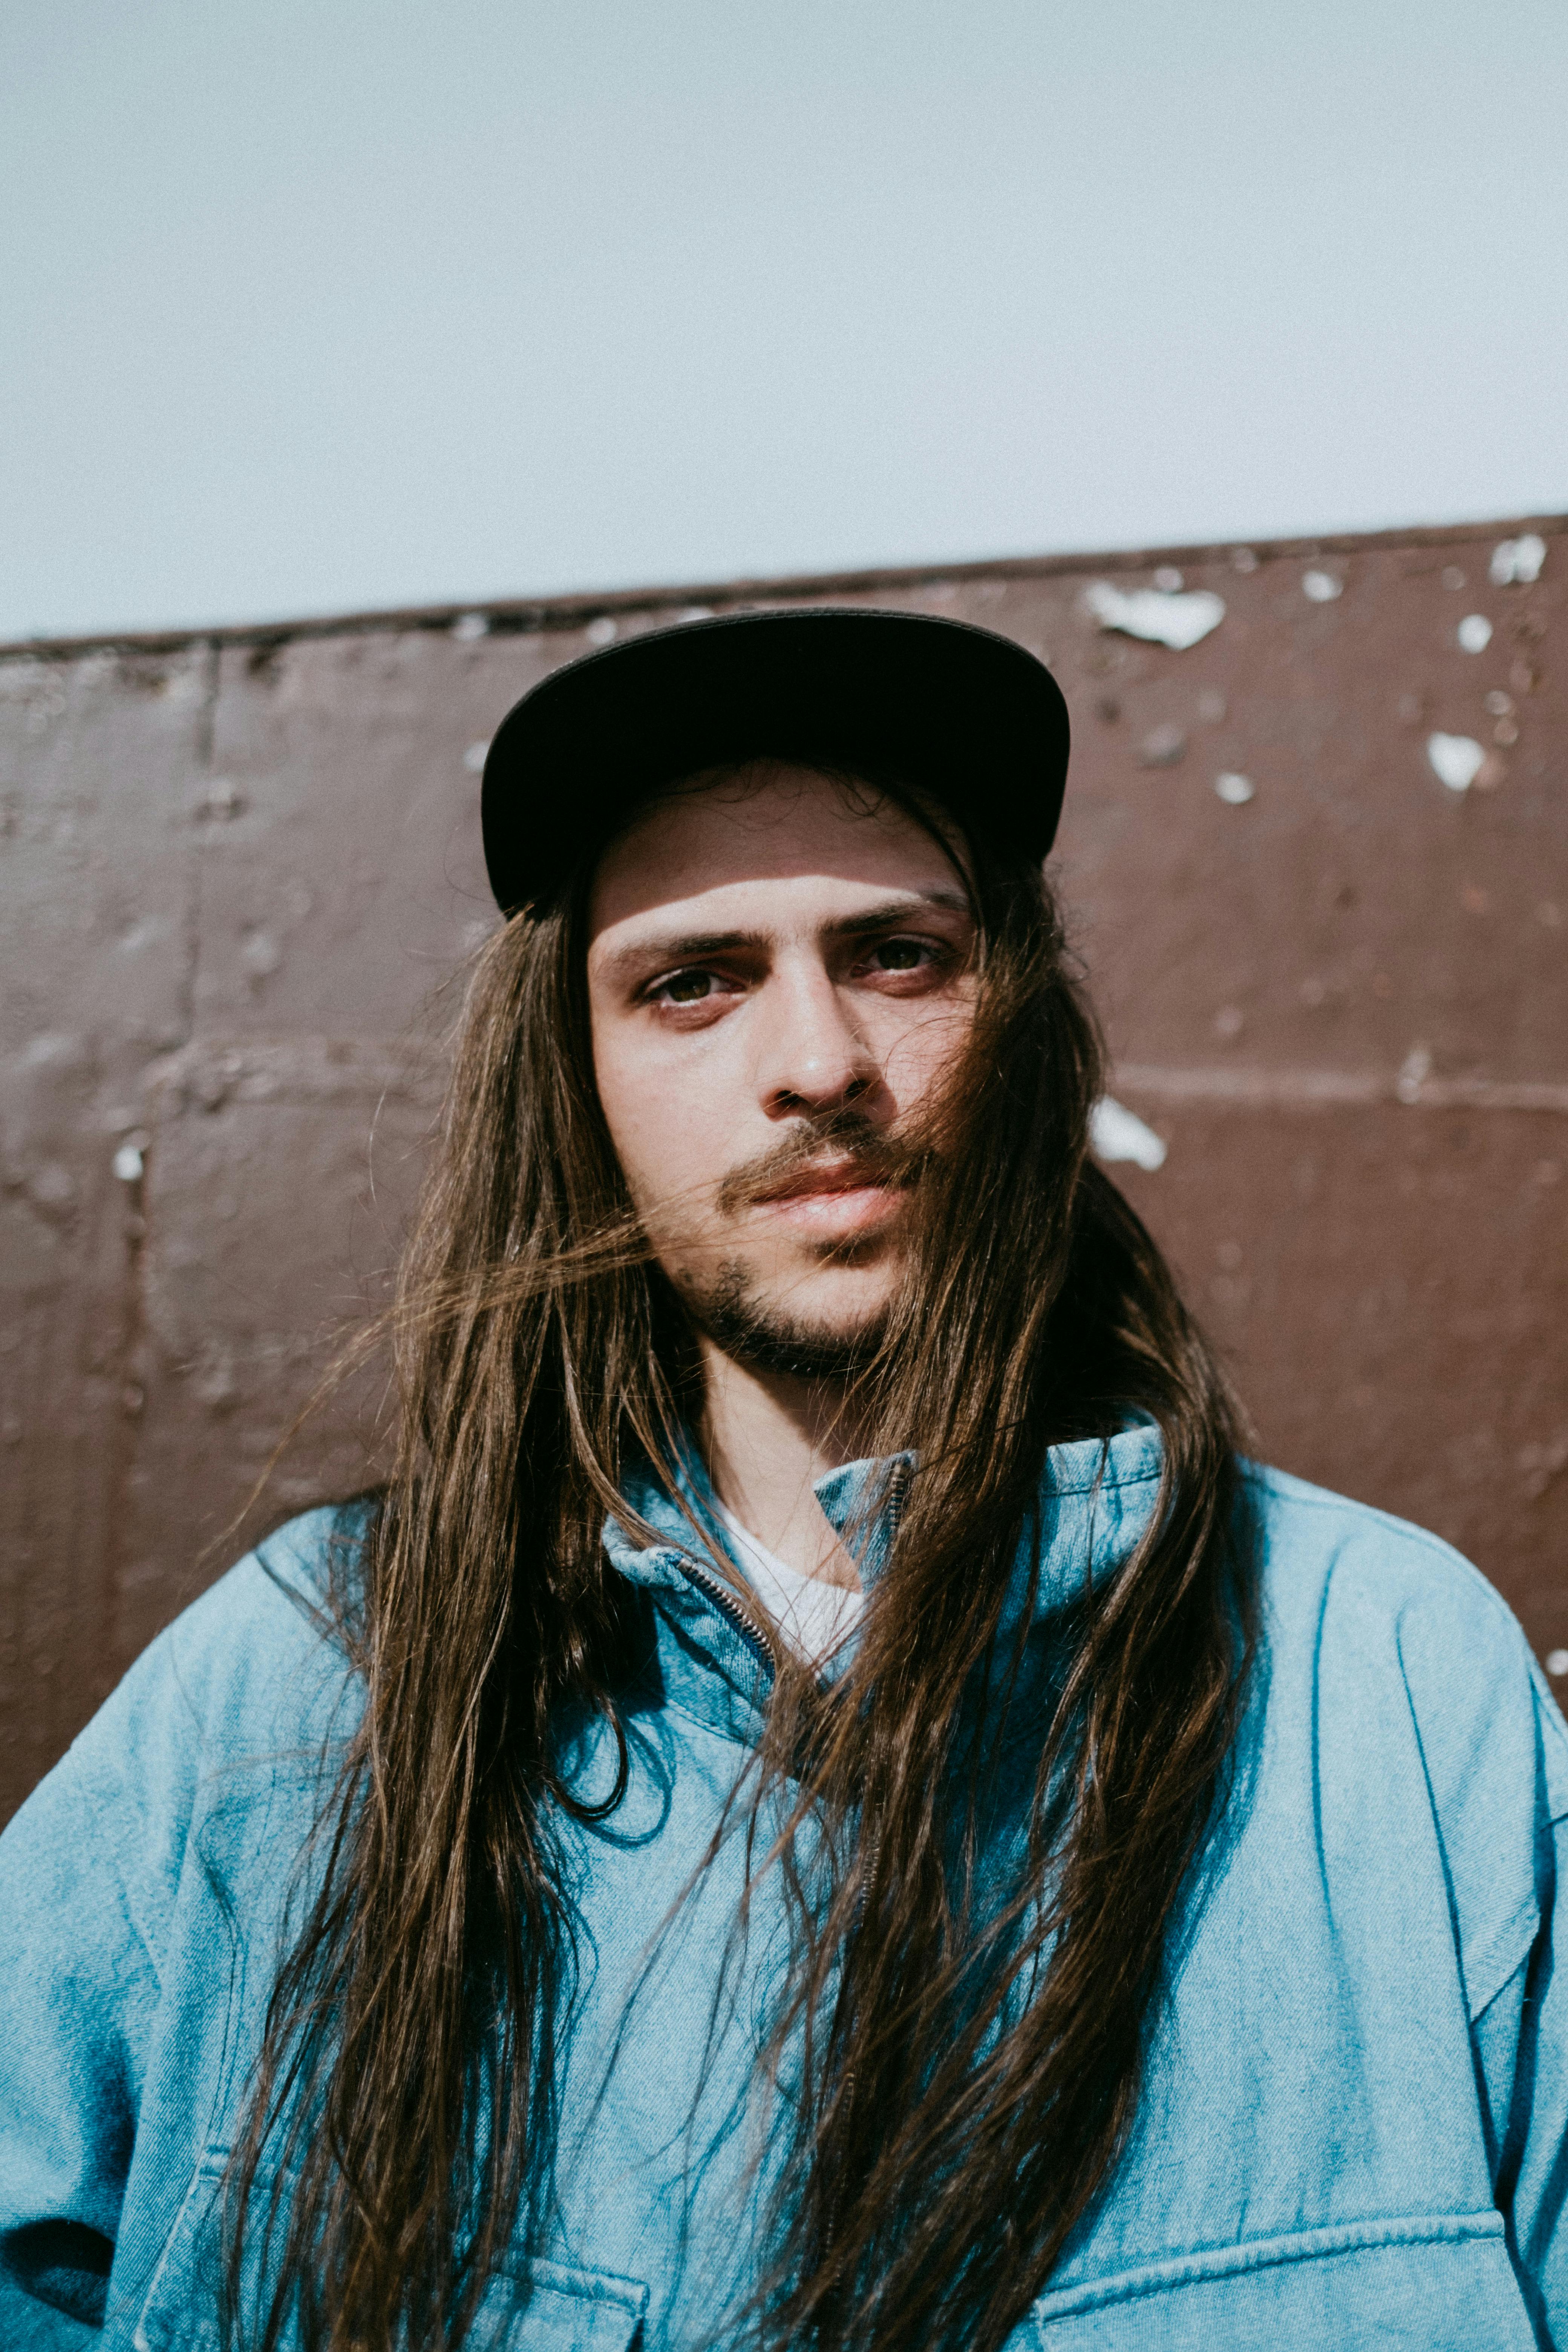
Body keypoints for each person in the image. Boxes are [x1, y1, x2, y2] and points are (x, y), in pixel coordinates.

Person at [1, 606, 1564, 2352]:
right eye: (693, 979)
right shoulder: (291, 1696)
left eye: (897, 956)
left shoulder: (1396, 1697)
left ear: (1021, 1025)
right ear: (574, 1081)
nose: (817, 1063)